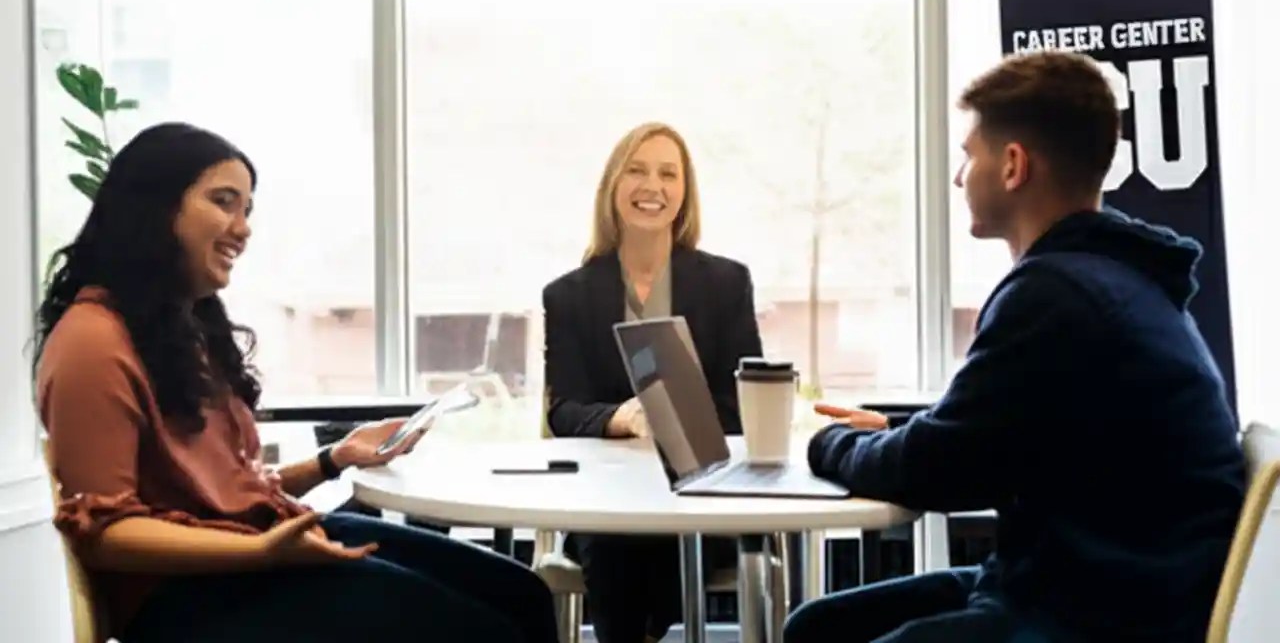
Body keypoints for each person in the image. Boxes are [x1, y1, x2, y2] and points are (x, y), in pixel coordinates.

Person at [36, 122, 558, 643]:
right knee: (483, 631)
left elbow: (222, 496)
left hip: (252, 554)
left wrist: (334, 459)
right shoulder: (92, 342)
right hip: (186, 599)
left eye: (246, 210)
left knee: (521, 594)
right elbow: (105, 534)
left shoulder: (177, 329)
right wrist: (262, 553)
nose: (242, 228)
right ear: (153, 207)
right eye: (224, 202)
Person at [786, 51, 1246, 643]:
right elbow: (997, 433)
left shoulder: (1056, 294)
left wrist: (829, 443)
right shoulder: (1112, 280)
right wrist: (893, 426)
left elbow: (935, 473)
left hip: (1098, 616)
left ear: (1012, 165)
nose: (958, 177)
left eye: (968, 155)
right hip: (1092, 582)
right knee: (816, 626)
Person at [542, 121, 763, 643]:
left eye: (669, 174)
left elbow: (742, 401)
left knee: (655, 539)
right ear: (613, 187)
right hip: (607, 499)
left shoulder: (727, 283)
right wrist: (620, 418)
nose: (653, 187)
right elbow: (565, 409)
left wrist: (675, 415)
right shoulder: (568, 295)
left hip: (699, 496)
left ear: (685, 193)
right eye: (637, 171)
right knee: (620, 538)